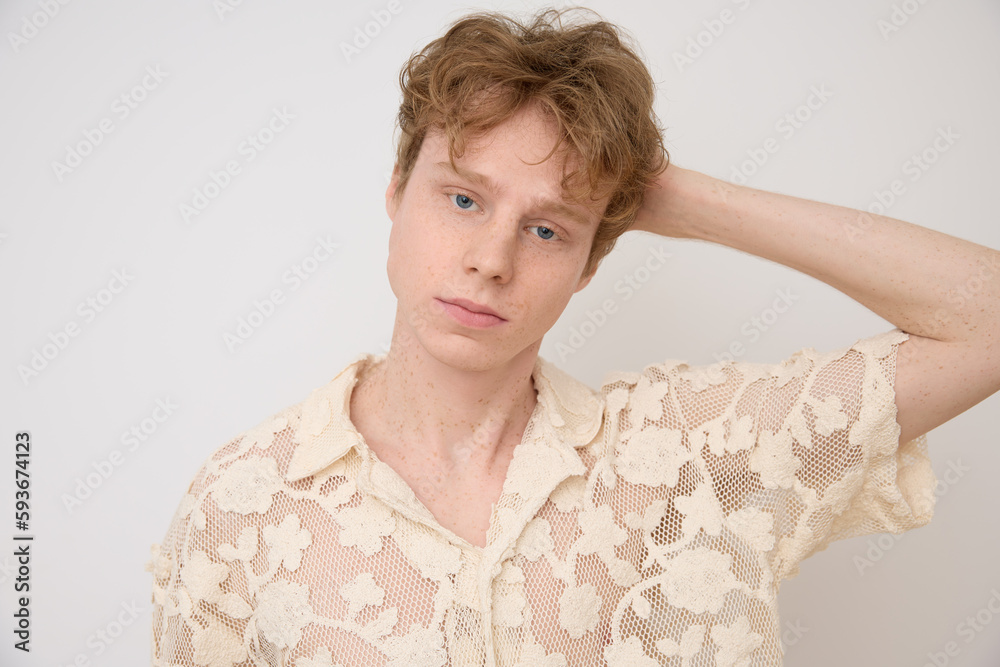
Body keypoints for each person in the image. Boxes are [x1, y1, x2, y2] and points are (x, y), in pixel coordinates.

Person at [146, 7, 1000, 666]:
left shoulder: (702, 454)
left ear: (591, 262)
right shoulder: (243, 504)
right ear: (397, 190)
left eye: (549, 230)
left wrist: (663, 194)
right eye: (464, 198)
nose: (491, 260)